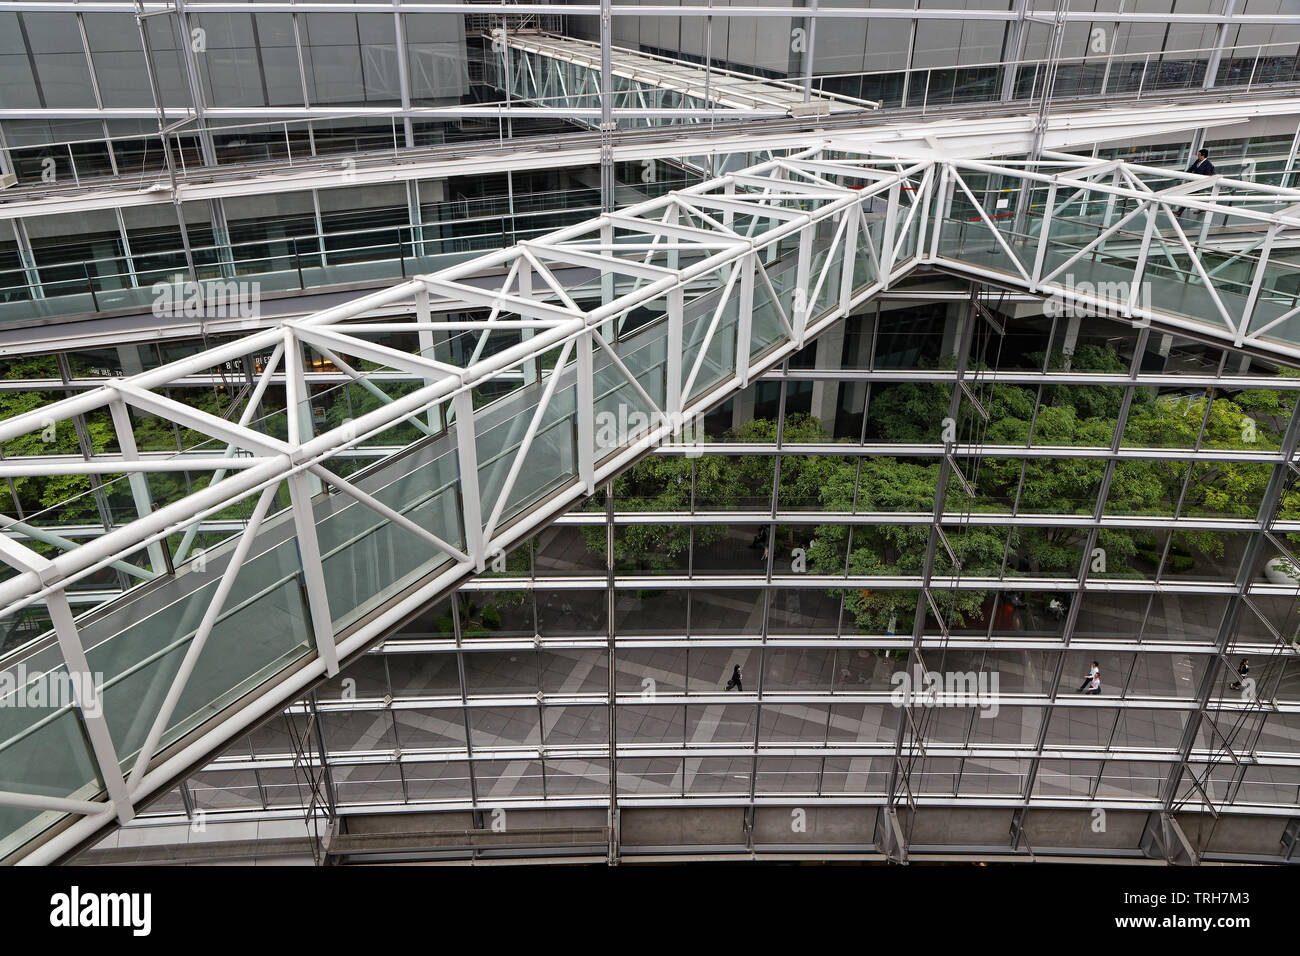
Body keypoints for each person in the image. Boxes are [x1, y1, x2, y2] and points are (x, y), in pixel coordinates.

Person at [1175, 149, 1215, 215]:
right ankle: (1202, 207)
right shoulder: (1198, 161)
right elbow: (1191, 168)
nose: (1197, 156)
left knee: (1189, 196)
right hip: (1193, 182)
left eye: (1199, 154)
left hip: (1199, 184)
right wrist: (1183, 175)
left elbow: (1207, 175)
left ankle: (1180, 211)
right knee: (1193, 196)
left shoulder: (1208, 164)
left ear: (1203, 156)